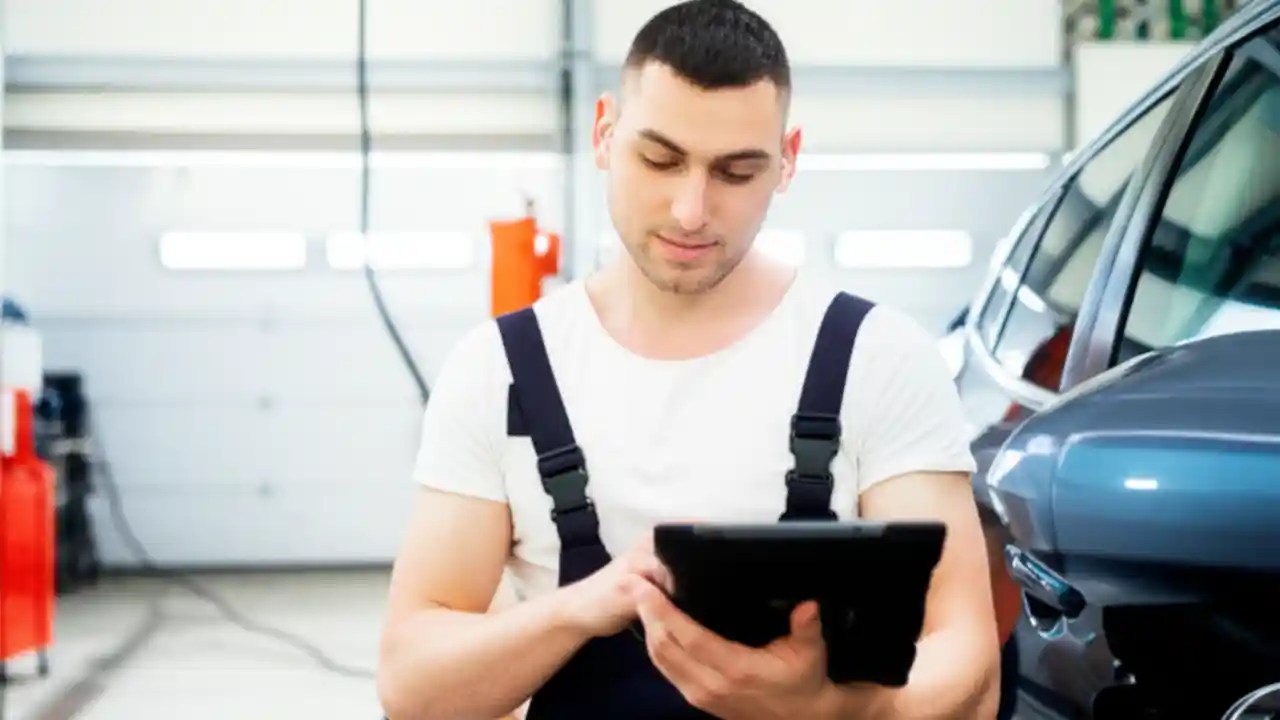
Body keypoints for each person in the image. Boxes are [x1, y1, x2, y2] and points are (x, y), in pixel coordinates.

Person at [376, 1, 1000, 718]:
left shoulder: (877, 358)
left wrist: (836, 712)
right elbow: (413, 688)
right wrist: (586, 606)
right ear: (605, 132)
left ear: (787, 160)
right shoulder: (504, 368)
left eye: (736, 172)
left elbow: (967, 660)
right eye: (660, 159)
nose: (690, 211)